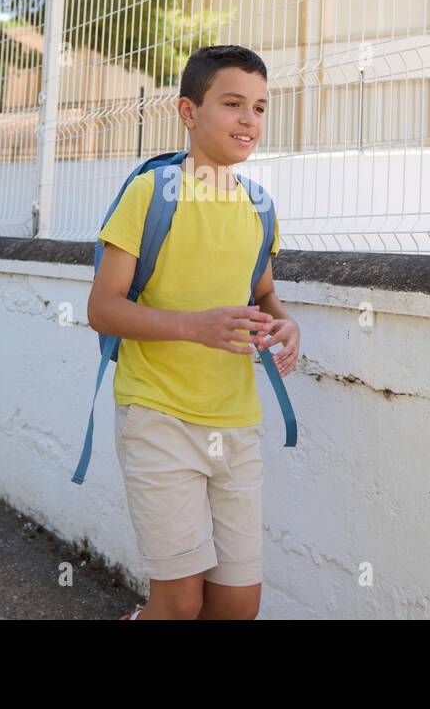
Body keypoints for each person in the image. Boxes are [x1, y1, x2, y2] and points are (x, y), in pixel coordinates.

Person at [87, 44, 301, 620]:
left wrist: (283, 321)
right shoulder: (151, 193)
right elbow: (102, 308)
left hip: (235, 424)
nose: (248, 120)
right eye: (232, 104)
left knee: (237, 607)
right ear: (188, 111)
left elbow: (261, 290)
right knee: (179, 604)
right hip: (158, 416)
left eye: (259, 107)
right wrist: (192, 326)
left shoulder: (259, 206)